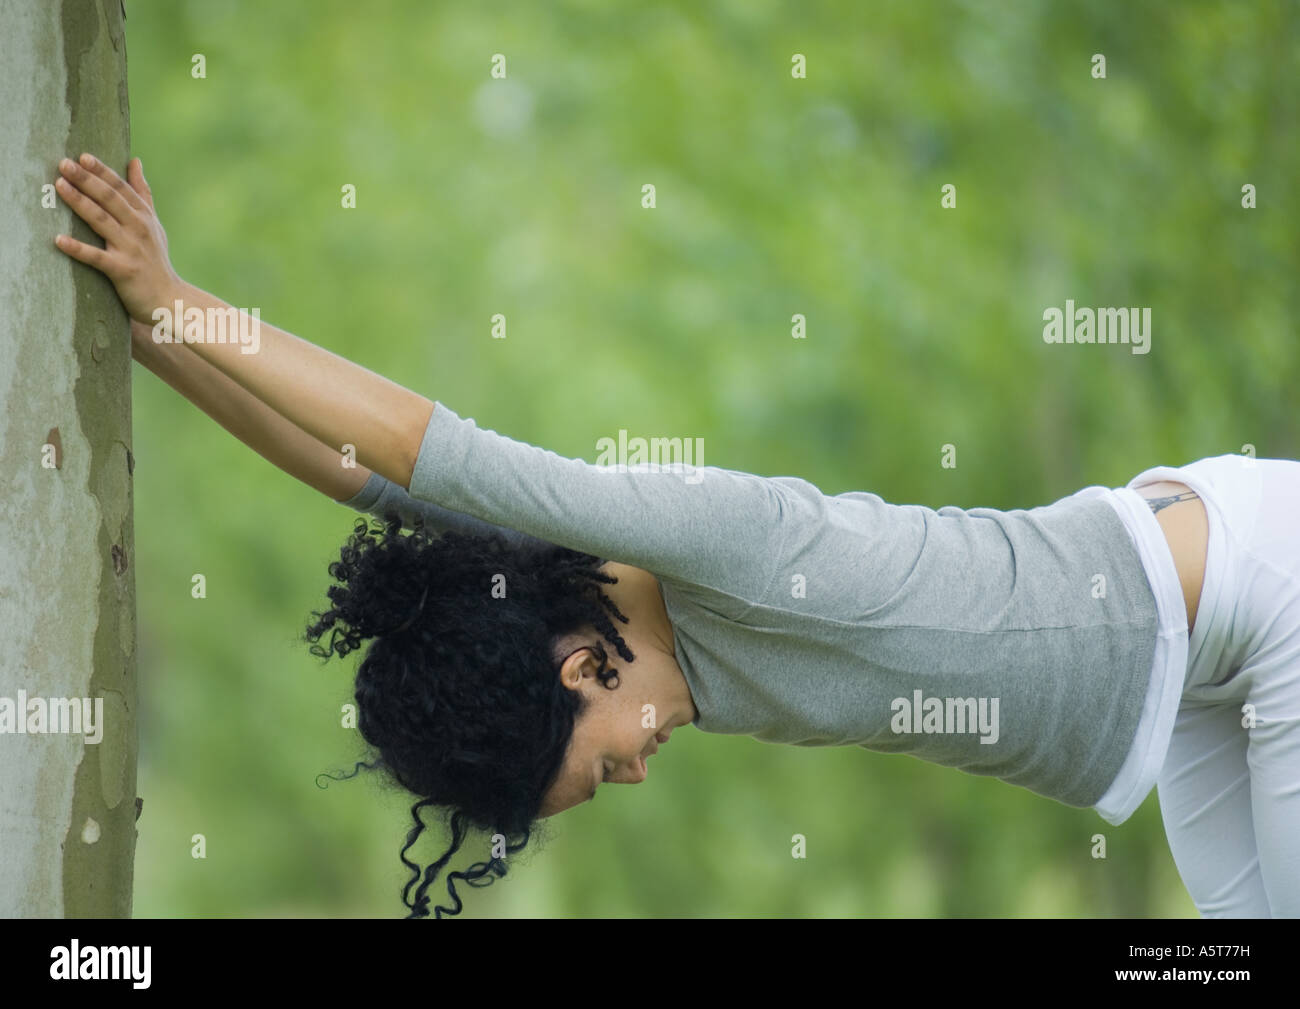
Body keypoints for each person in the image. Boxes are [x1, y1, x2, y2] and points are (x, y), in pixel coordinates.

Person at [51, 153, 1300, 919]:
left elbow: (417, 447)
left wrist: (184, 299)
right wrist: (145, 343)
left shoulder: (719, 552)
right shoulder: (621, 625)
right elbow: (341, 474)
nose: (637, 777)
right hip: (1193, 671)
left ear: (575, 665)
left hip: (1263, 590)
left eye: (600, 768)